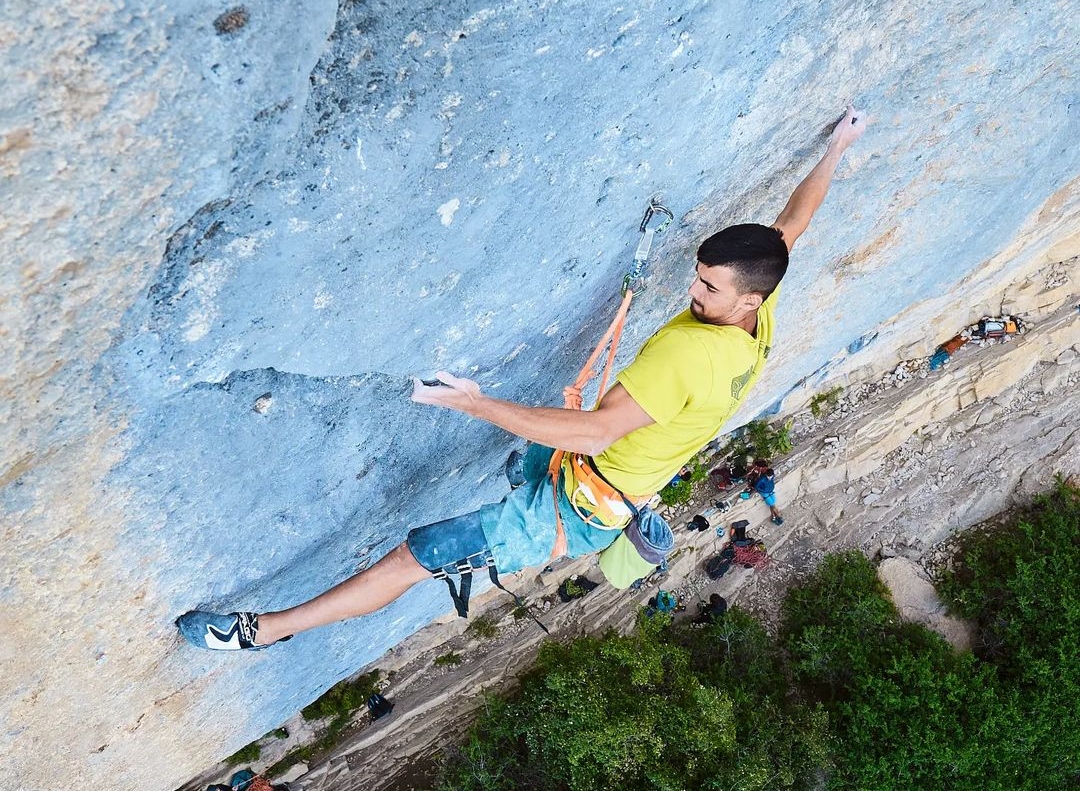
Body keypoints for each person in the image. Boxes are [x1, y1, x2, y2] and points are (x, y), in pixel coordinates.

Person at [177, 107, 866, 651]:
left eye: (708, 286)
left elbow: (597, 431)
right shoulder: (755, 311)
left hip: (570, 512)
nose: (693, 289)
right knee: (518, 463)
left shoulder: (691, 354)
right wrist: (836, 149)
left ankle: (262, 631)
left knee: (417, 556)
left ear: (743, 299)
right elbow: (790, 226)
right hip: (589, 483)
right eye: (699, 273)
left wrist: (477, 403)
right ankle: (514, 473)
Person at [745, 458, 784, 525]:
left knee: (772, 505)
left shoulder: (771, 475)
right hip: (765, 493)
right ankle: (778, 516)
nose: (770, 477)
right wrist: (762, 491)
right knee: (773, 505)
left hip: (770, 490)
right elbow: (756, 486)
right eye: (769, 476)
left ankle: (773, 517)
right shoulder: (762, 479)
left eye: (771, 476)